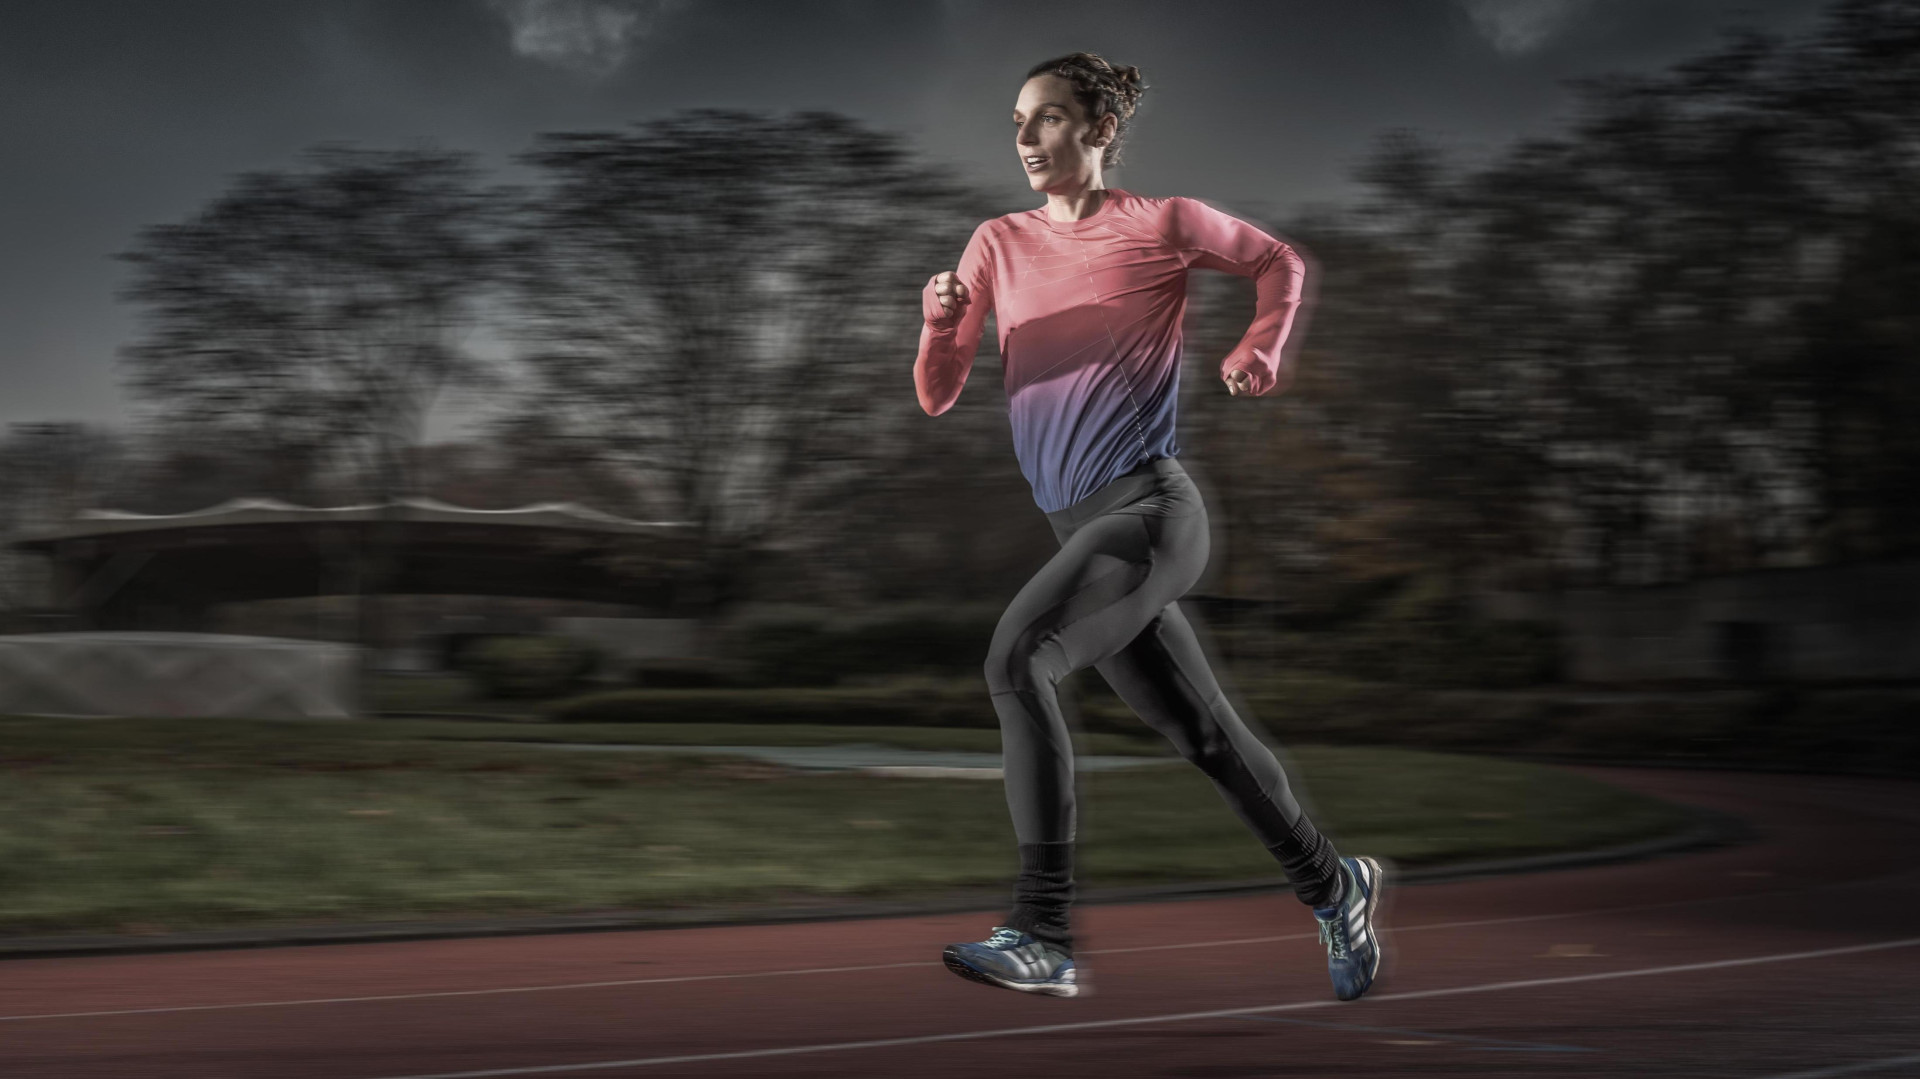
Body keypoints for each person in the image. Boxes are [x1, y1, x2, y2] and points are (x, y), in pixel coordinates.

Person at [913, 52, 1385, 1002]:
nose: (1024, 135)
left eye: (1046, 117)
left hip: (1149, 512)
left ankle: (1043, 929)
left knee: (1016, 659)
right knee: (1205, 737)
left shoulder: (1161, 224)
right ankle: (1338, 885)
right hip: (1080, 534)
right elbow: (938, 394)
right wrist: (937, 320)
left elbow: (1277, 260)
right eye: (1016, 119)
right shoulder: (994, 244)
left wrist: (1260, 343)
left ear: (1096, 128)